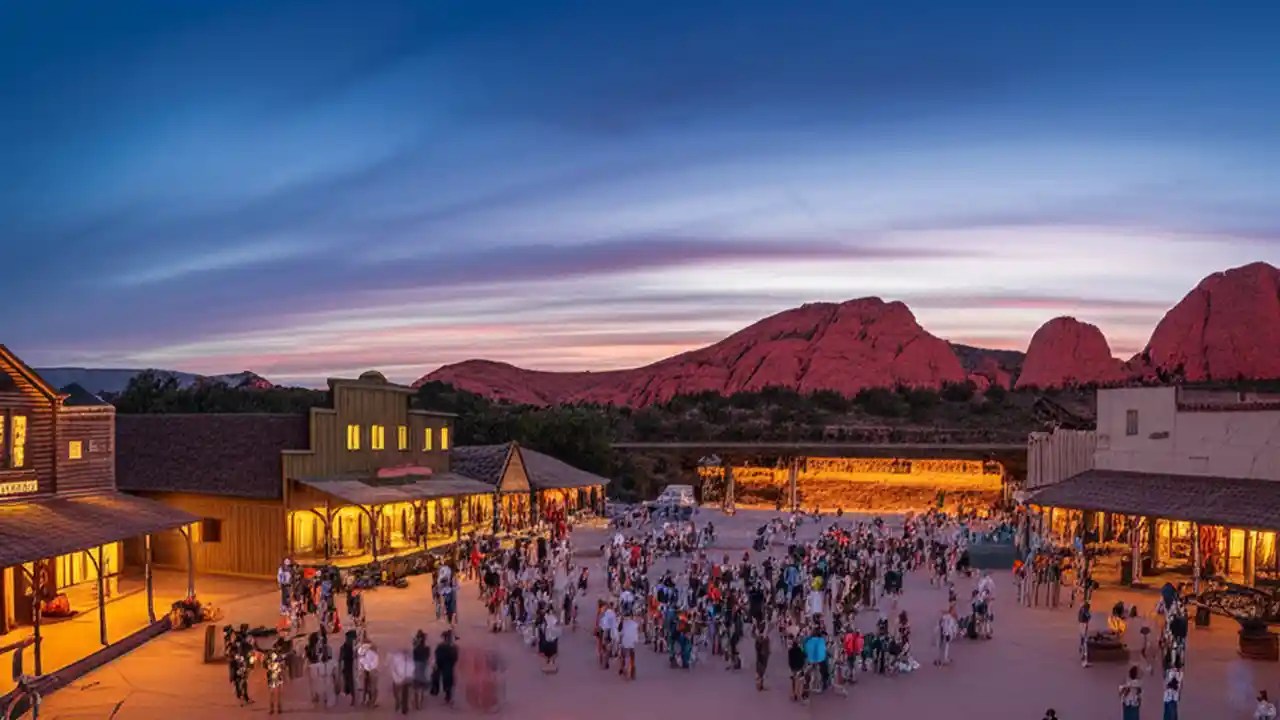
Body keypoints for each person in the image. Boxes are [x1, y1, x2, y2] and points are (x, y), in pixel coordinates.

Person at [265, 636, 289, 716]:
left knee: (273, 692)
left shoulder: (270, 653)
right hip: (276, 674)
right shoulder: (279, 654)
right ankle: (277, 708)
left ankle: (272, 708)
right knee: (278, 692)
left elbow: (266, 664)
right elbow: (284, 665)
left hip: (273, 674)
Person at [435, 630, 459, 706]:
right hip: (450, 666)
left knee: (445, 681)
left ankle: (448, 696)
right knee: (450, 680)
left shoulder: (440, 646)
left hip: (443, 665)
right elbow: (455, 658)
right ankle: (449, 696)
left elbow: (438, 657)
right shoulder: (454, 647)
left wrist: (439, 665)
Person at [389, 648, 413, 715]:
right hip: (401, 678)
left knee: (404, 693)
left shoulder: (408, 661)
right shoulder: (399, 659)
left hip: (403, 679)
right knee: (402, 693)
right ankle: (401, 703)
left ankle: (403, 706)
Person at [357, 637, 380, 708]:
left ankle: (367, 701)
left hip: (367, 670)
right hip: (370, 670)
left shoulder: (362, 651)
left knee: (367, 687)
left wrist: (365, 667)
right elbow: (375, 662)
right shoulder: (372, 651)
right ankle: (371, 702)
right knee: (371, 687)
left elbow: (361, 661)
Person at [412, 631, 431, 710]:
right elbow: (428, 657)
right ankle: (420, 704)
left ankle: (417, 704)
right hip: (424, 666)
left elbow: (413, 656)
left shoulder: (415, 648)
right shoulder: (427, 648)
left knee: (416, 688)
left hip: (416, 666)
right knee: (422, 688)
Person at [339, 630, 357, 706]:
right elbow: (340, 659)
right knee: (350, 683)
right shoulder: (344, 647)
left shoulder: (355, 647)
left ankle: (353, 698)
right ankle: (353, 698)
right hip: (348, 667)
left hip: (353, 668)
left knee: (351, 683)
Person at [619, 612, 638, 679]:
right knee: (632, 657)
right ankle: (632, 672)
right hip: (631, 644)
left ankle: (622, 667)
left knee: (623, 656)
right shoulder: (635, 624)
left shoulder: (623, 623)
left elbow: (620, 632)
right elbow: (636, 635)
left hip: (624, 643)